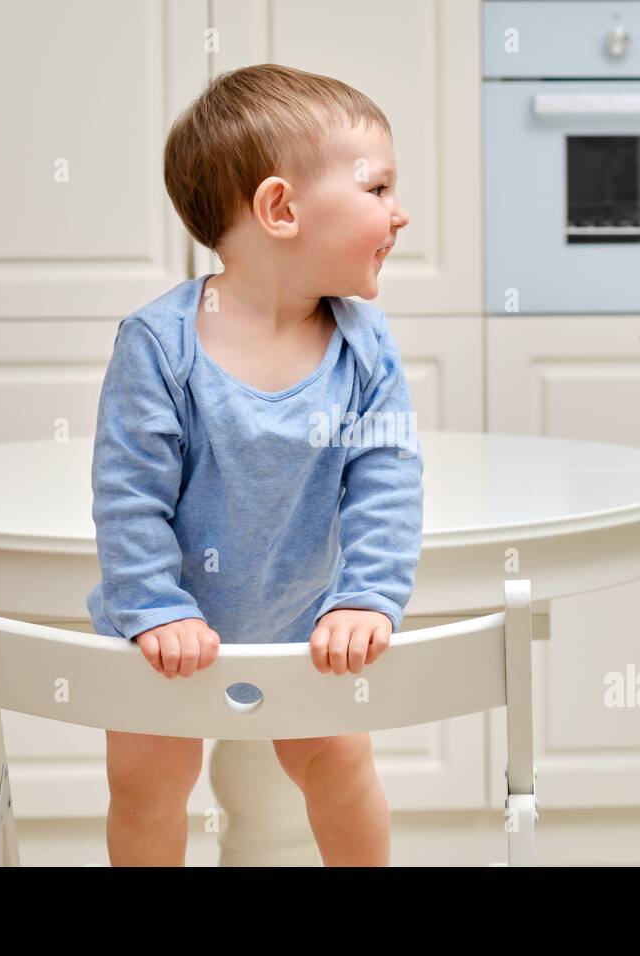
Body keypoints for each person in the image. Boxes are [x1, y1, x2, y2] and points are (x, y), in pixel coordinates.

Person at [86, 64, 422, 866]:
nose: (399, 214)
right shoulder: (161, 345)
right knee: (147, 782)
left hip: (307, 626)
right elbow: (128, 496)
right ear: (280, 209)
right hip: (162, 633)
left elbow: (388, 481)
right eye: (377, 189)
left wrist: (366, 597)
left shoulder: (364, 346)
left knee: (339, 768)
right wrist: (154, 606)